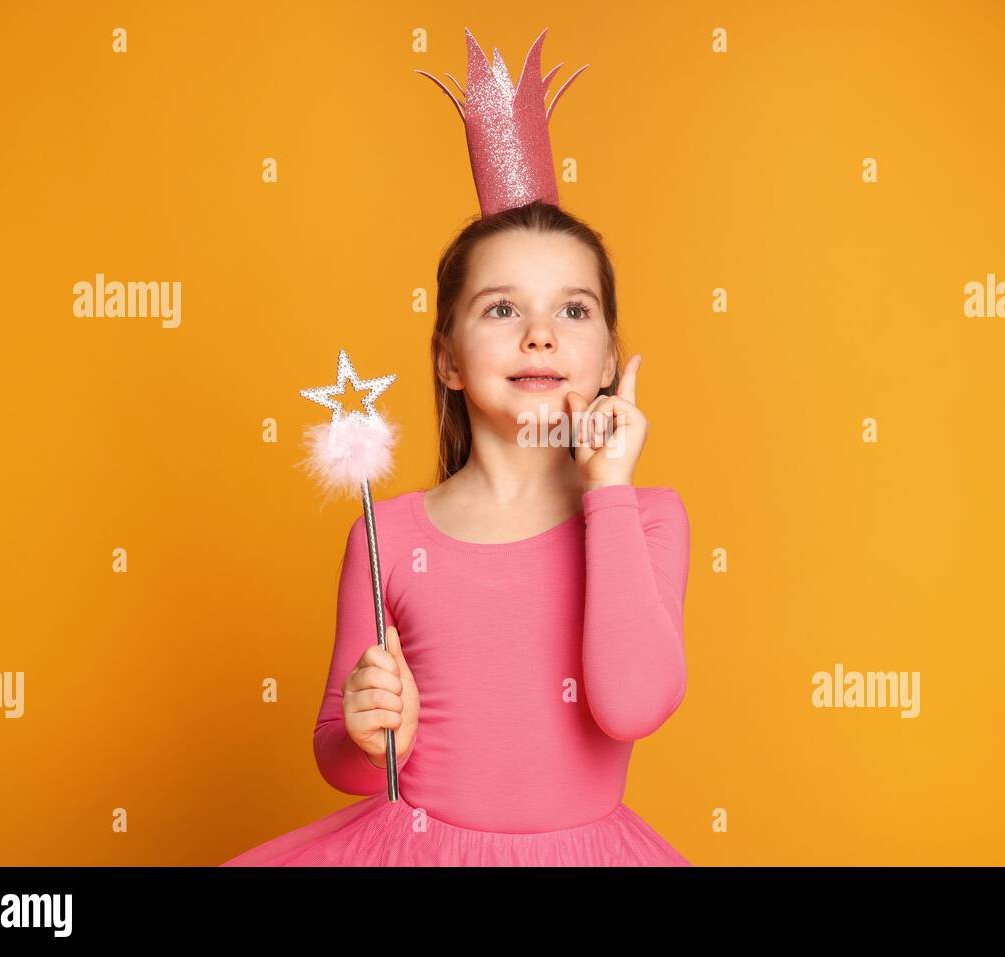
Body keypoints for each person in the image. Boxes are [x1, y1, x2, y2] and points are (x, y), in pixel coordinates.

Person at [222, 28, 692, 866]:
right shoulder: (390, 534)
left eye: (574, 311)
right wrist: (367, 734)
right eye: (503, 309)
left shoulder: (647, 519)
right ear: (447, 357)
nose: (541, 335)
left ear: (611, 357)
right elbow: (340, 751)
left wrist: (610, 490)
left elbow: (629, 705)